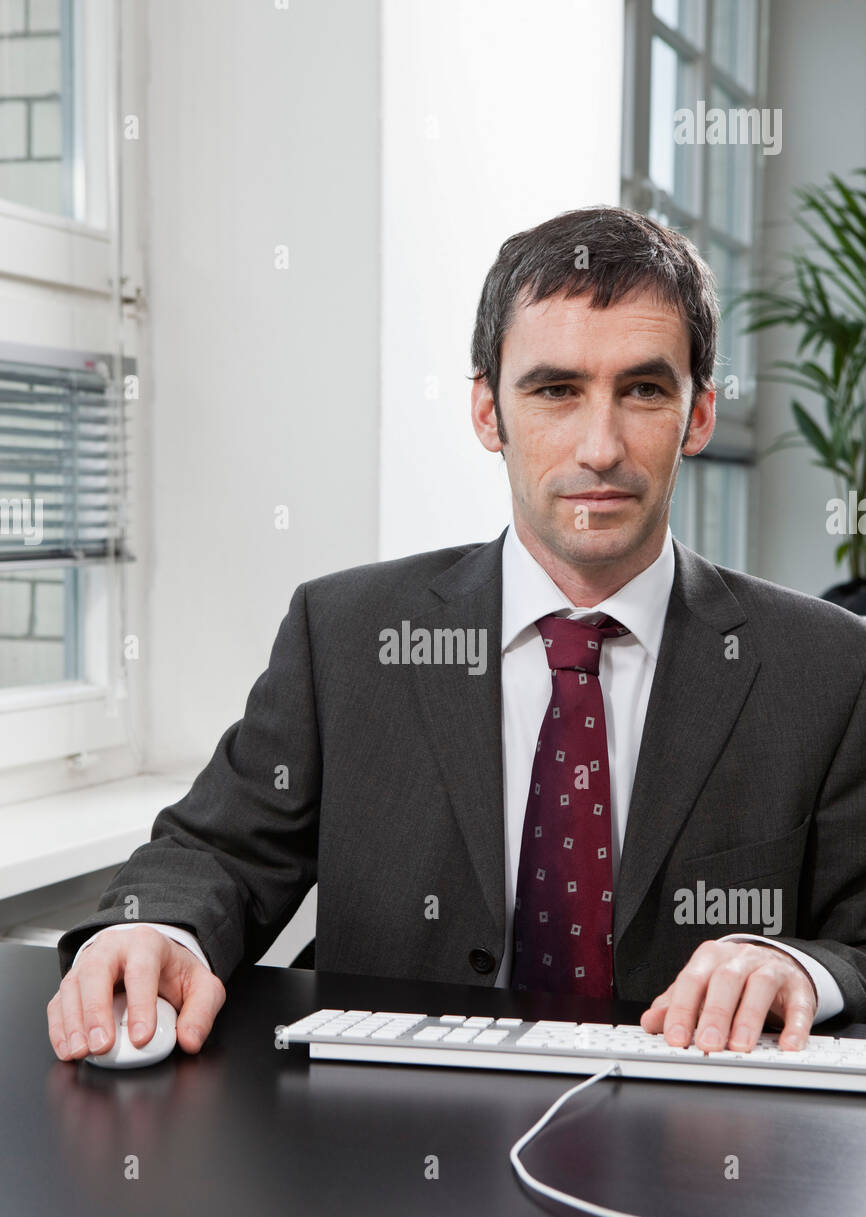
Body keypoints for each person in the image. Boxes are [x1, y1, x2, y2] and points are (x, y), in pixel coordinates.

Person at [47, 206, 866, 1066]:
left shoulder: (828, 667)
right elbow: (216, 850)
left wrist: (797, 964)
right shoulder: (349, 635)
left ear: (697, 416)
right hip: (386, 1138)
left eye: (645, 390)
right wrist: (160, 933)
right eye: (555, 390)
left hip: (689, 1143)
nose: (600, 446)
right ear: (487, 413)